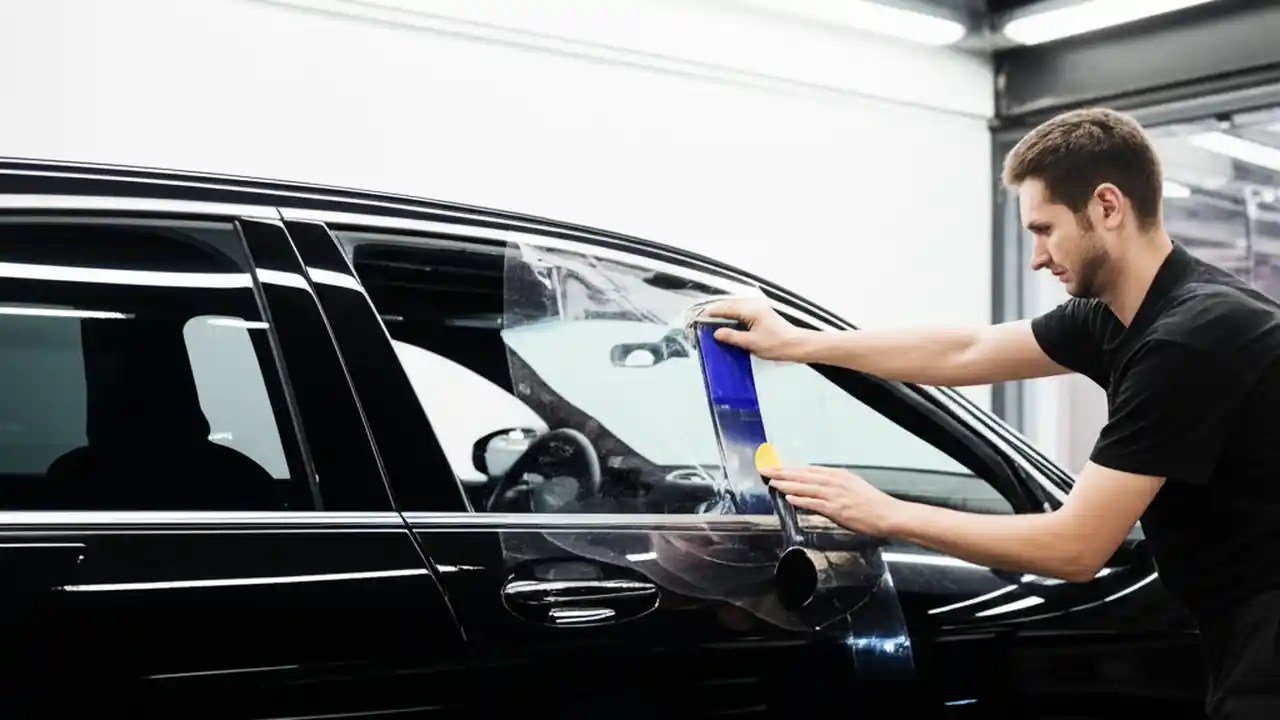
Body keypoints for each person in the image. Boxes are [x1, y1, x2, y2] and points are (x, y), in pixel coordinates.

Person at [702, 107, 1280, 719]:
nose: (1036, 256)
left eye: (1045, 228)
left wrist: (885, 512)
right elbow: (967, 349)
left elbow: (1076, 546)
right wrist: (796, 343)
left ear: (1108, 207)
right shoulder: (1118, 315)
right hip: (1239, 621)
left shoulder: (1191, 337)